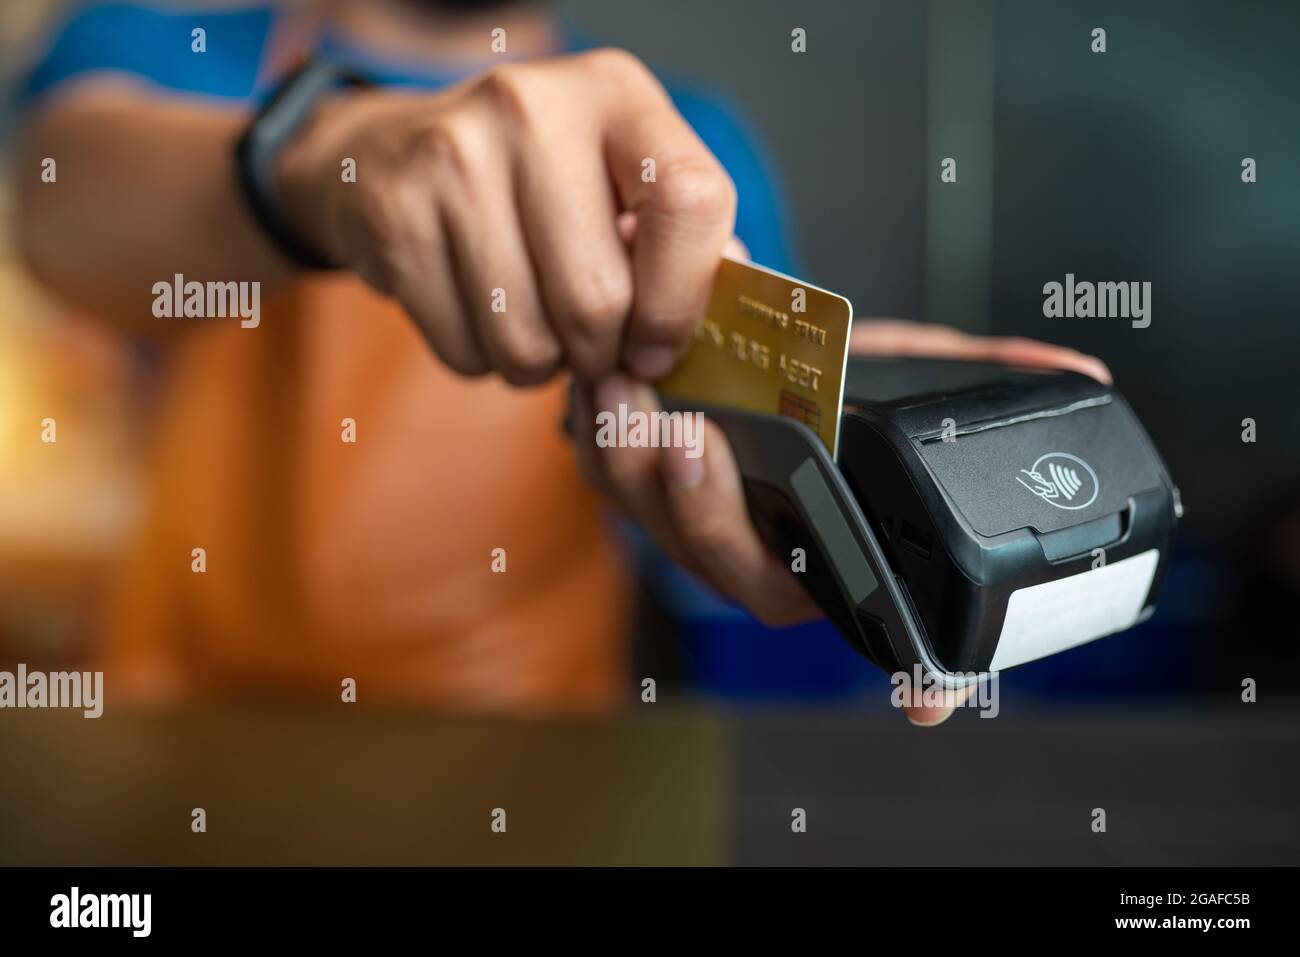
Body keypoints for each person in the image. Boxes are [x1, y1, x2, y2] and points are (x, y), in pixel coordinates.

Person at [16, 0, 1108, 725]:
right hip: (176, 744)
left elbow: (743, 416)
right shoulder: (163, 43)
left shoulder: (689, 142)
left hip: (533, 757)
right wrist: (321, 162)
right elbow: (59, 199)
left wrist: (838, 455)